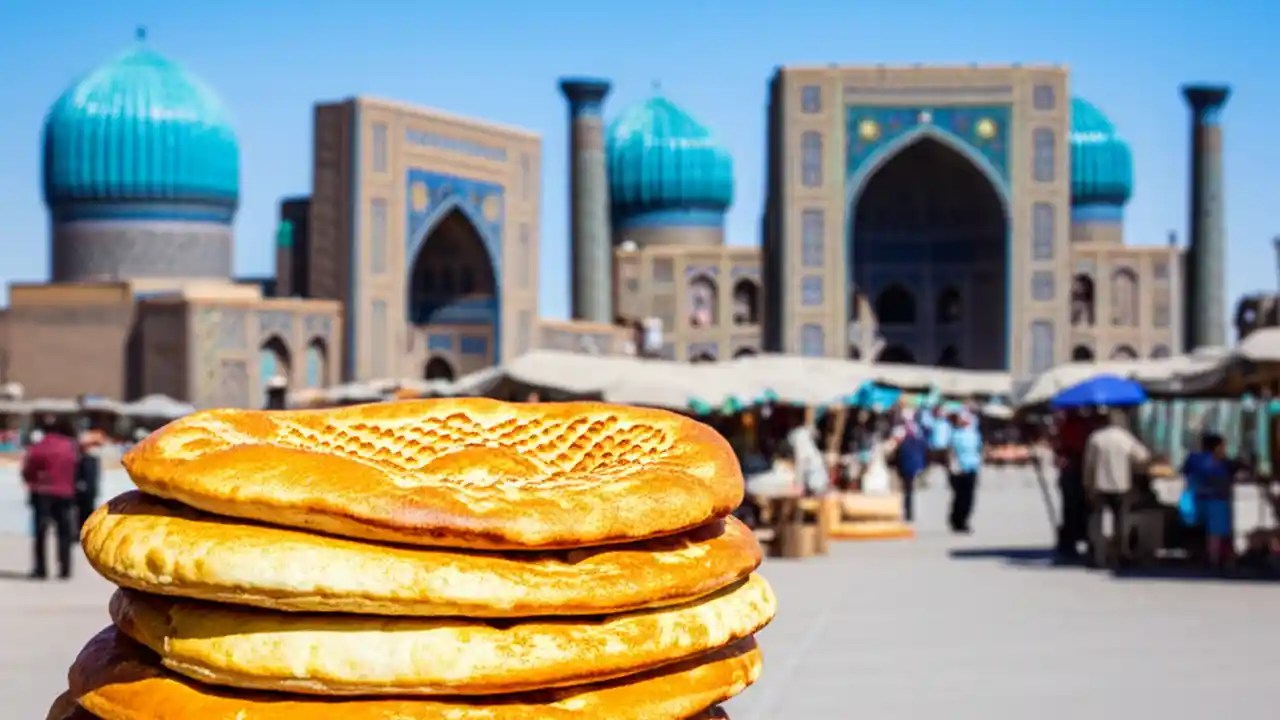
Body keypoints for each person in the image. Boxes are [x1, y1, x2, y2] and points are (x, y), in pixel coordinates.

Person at [1082, 408, 1151, 568]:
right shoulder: (1125, 438)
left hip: (1099, 485)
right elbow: (1143, 456)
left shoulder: (1095, 438)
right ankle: (1120, 554)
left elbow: (1089, 465)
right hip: (1121, 485)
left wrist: (1087, 484)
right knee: (1120, 521)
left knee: (1097, 520)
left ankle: (1099, 556)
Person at [21, 415, 80, 580]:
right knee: (64, 532)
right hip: (65, 492)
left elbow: (28, 470)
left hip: (42, 492)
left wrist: (31, 481)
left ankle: (41, 568)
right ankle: (65, 569)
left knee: (41, 532)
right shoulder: (70, 447)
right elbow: (77, 468)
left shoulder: (37, 446)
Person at [1180, 433, 1235, 571]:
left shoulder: (1192, 458)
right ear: (1216, 447)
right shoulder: (1217, 463)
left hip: (1193, 501)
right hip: (1215, 500)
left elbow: (1184, 473)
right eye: (1223, 446)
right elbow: (1222, 481)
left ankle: (1205, 554)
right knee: (1216, 530)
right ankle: (1214, 558)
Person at [1053, 409, 1095, 561]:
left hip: (1076, 469)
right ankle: (1070, 542)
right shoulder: (1072, 426)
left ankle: (1075, 541)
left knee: (1075, 508)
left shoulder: (1070, 425)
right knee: (1074, 508)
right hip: (1074, 470)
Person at [890, 406, 929, 522]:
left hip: (908, 464)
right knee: (904, 490)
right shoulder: (900, 430)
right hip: (902, 463)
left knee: (907, 490)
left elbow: (922, 447)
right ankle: (904, 512)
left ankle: (907, 512)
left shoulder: (914, 430)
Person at [947, 410, 984, 533]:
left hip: (972, 467)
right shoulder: (955, 434)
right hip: (959, 468)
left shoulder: (975, 434)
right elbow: (951, 451)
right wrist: (952, 466)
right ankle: (957, 520)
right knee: (959, 496)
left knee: (969, 497)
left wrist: (980, 462)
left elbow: (979, 449)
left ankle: (965, 520)